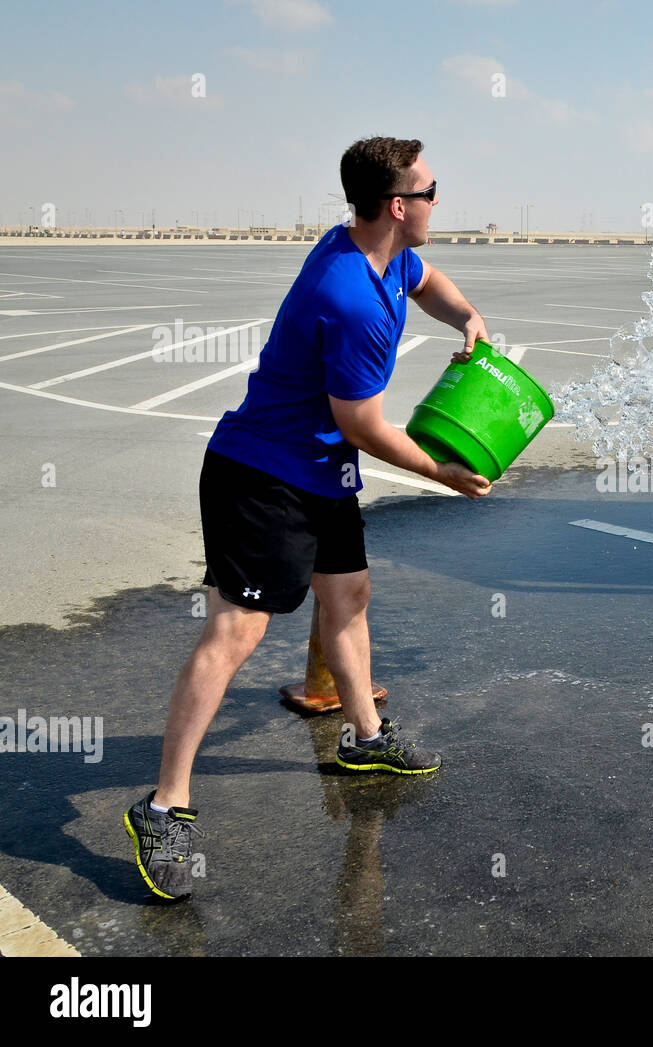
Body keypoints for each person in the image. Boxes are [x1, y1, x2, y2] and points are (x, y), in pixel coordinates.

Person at [124, 137, 492, 901]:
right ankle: (163, 805)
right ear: (397, 205)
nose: (436, 202)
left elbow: (428, 282)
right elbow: (361, 422)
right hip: (263, 475)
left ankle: (365, 740)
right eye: (430, 191)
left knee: (348, 595)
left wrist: (467, 317)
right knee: (237, 632)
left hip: (321, 473)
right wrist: (442, 473)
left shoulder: (380, 254)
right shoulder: (348, 294)